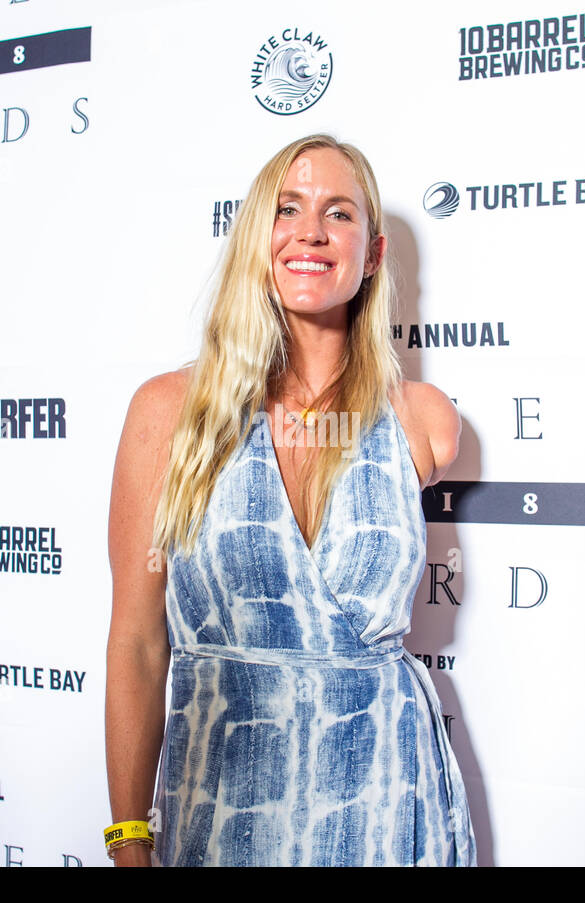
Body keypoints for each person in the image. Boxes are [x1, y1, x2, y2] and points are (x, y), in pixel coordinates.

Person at [104, 133, 475, 866]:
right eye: (288, 208)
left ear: (371, 256)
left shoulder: (423, 420)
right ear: (256, 238)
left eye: (339, 213)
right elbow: (139, 644)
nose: (311, 230)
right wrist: (128, 836)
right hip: (221, 803)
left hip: (388, 805)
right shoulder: (168, 412)